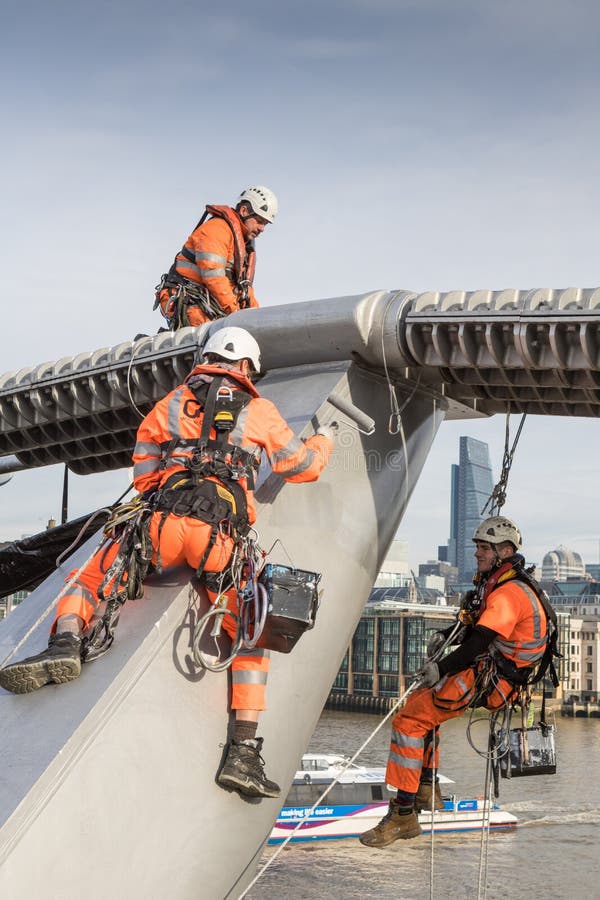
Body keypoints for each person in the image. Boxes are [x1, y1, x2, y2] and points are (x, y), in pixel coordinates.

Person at [0, 326, 335, 800]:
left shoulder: (171, 403)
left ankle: (65, 643)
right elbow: (300, 467)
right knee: (249, 633)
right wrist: (323, 442)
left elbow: (143, 475)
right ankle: (242, 751)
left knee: (89, 576)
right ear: (247, 368)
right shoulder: (259, 410)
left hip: (158, 530)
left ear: (206, 359)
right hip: (218, 539)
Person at [359, 516, 551, 848]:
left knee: (409, 720)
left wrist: (441, 667)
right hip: (494, 671)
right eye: (476, 547)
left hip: (493, 678)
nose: (477, 554)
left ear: (504, 551)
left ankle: (404, 814)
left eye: (483, 548)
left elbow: (477, 642)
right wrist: (445, 635)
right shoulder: (502, 584)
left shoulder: (509, 594)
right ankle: (427, 788)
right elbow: (475, 629)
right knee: (422, 708)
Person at [155, 186, 278, 329]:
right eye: (260, 221)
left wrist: (257, 321)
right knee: (211, 339)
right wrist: (236, 314)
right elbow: (213, 276)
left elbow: (244, 288)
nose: (262, 228)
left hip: (210, 301)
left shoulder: (245, 245)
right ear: (244, 211)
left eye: (265, 224)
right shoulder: (217, 230)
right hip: (190, 298)